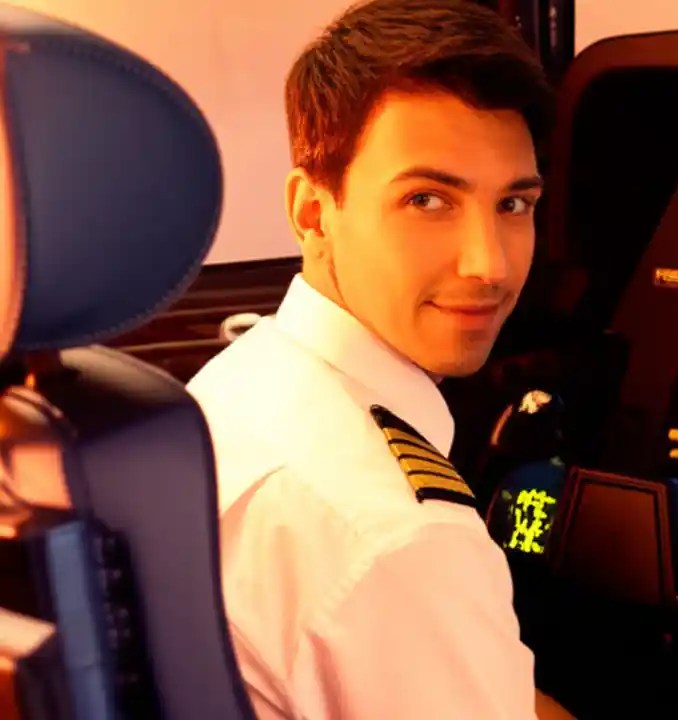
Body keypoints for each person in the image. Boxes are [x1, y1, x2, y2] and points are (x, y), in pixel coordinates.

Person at [187, 1, 568, 717]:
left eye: (513, 205)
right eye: (428, 199)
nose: (489, 264)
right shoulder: (396, 537)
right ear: (312, 212)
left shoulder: (246, 376)